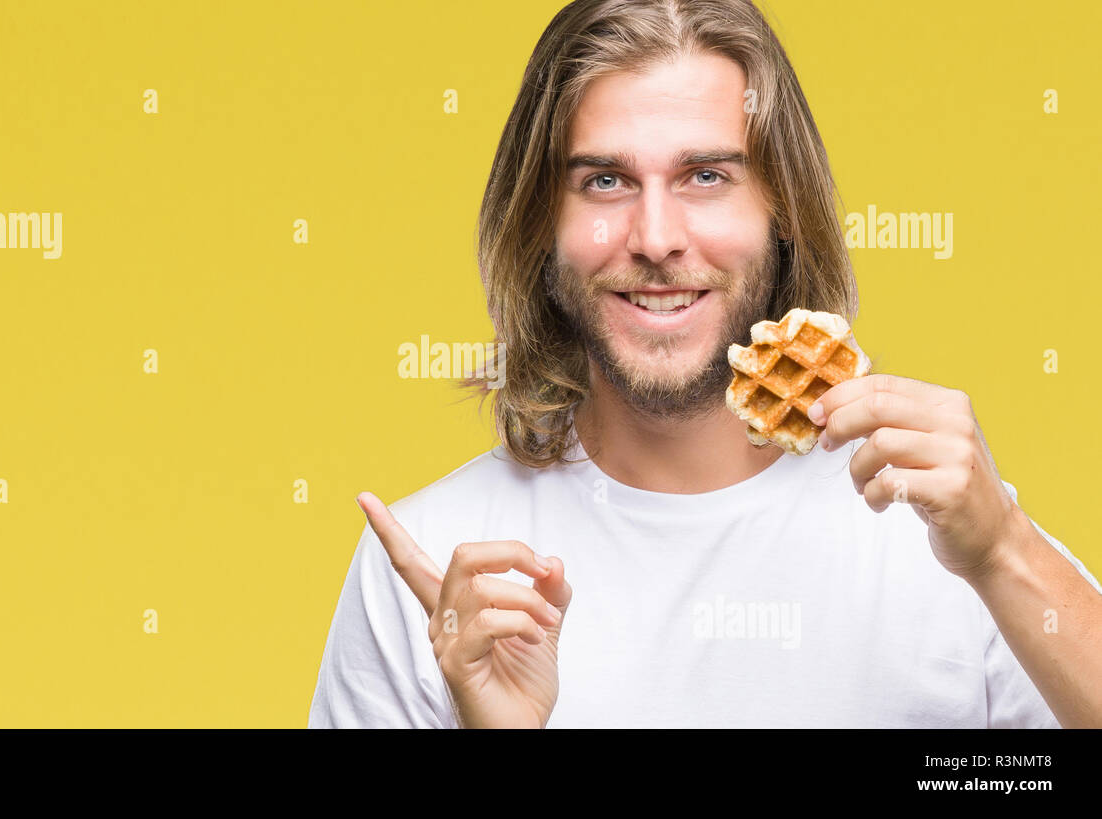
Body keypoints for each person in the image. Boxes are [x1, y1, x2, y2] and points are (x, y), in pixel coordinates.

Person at [308, 0, 1102, 728]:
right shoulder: (438, 571)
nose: (656, 237)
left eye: (707, 175)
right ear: (542, 224)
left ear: (783, 209)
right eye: (606, 180)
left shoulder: (950, 536)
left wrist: (1004, 550)